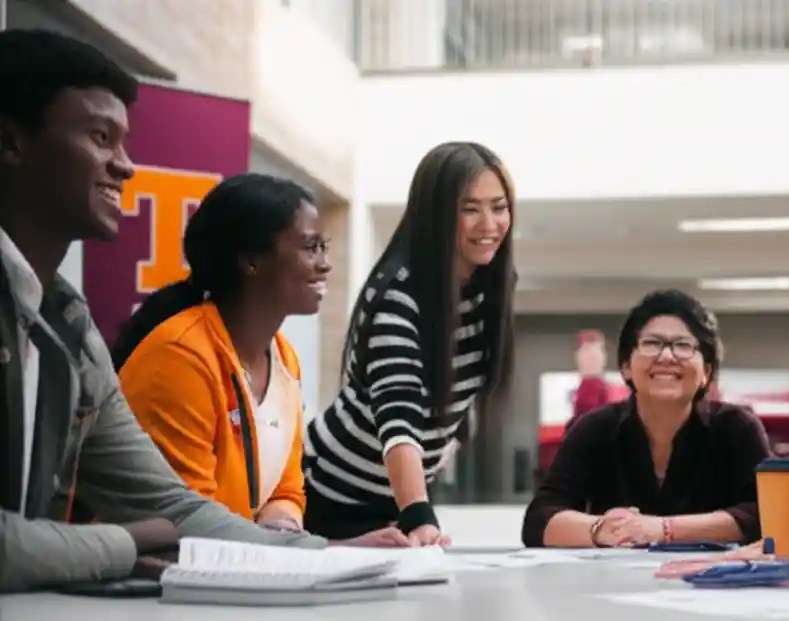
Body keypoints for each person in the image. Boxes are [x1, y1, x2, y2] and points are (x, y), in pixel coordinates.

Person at [0, 29, 346, 592]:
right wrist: (126, 543)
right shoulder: (179, 348)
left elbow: (171, 509)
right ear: (11, 143)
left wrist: (330, 558)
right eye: (99, 136)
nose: (126, 166)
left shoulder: (67, 323)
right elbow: (151, 524)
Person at [110, 174, 403, 548]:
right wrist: (331, 551)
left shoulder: (284, 357)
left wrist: (282, 528)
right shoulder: (180, 356)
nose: (324, 264)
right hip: (149, 588)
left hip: (237, 574)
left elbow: (287, 490)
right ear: (250, 260)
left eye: (324, 247)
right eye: (310, 247)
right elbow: (190, 523)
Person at [304, 142, 516, 546]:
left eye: (499, 206)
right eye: (469, 208)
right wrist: (419, 514)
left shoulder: (491, 288)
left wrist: (429, 474)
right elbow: (398, 418)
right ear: (435, 213)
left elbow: (462, 400)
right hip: (327, 496)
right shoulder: (398, 295)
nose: (489, 224)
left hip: (393, 503)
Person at [523, 290, 770, 548]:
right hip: (614, 584)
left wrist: (664, 530)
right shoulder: (594, 428)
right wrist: (600, 530)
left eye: (683, 345)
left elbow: (765, 515)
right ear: (626, 366)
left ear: (706, 372)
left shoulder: (737, 428)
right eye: (652, 344)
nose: (666, 357)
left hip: (714, 583)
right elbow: (540, 519)